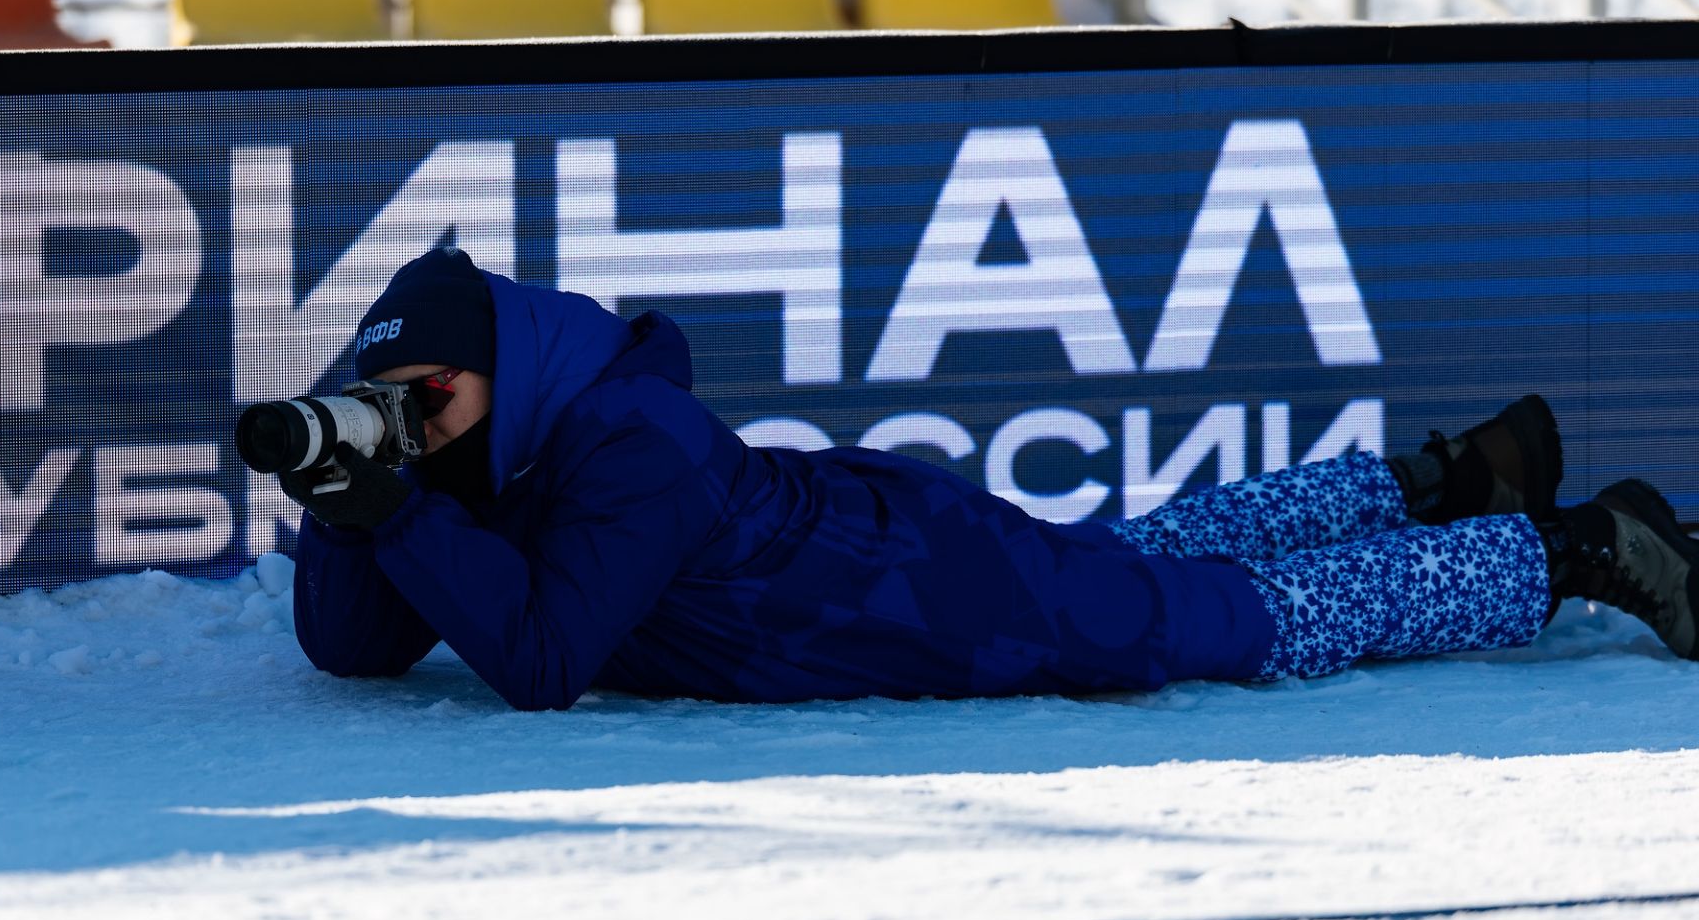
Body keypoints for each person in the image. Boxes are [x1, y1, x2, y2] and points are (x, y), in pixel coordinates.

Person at [283, 247, 1698, 711]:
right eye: (392, 407)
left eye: (432, 398)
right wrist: (353, 500)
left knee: (1215, 623)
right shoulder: (492, 455)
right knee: (1145, 558)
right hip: (885, 559)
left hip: (915, 593)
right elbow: (357, 650)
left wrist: (397, 506)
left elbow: (540, 655)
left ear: (502, 373)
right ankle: (1442, 476)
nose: (421, 428)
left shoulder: (621, 446)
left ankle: (1574, 549)